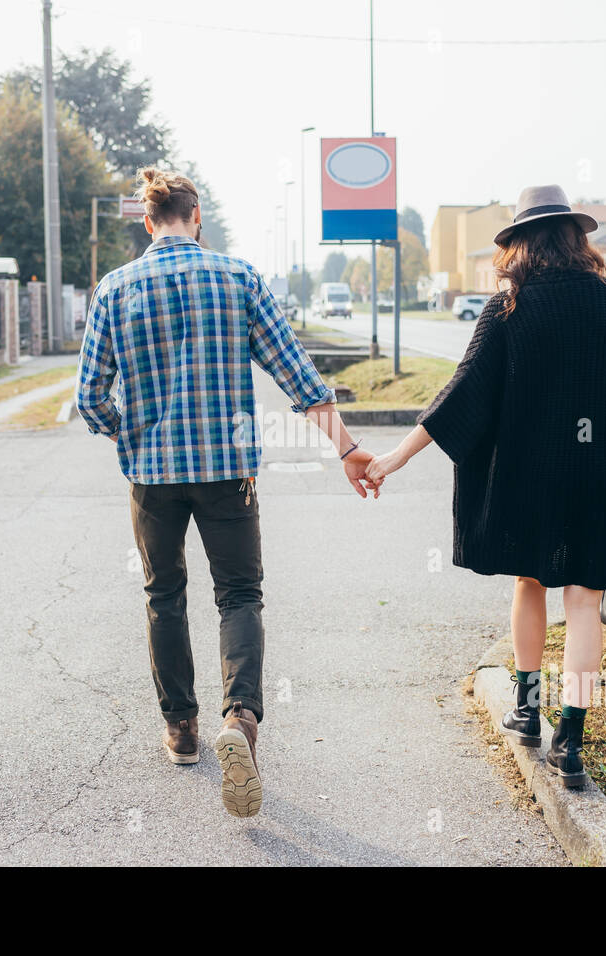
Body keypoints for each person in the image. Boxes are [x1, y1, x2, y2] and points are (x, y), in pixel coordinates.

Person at [76, 167, 379, 818]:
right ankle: (240, 720)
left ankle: (182, 730)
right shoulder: (238, 277)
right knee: (238, 595)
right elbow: (298, 373)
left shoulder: (115, 287)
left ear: (148, 221)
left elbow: (89, 399)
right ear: (197, 219)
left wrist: (130, 437)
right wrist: (348, 447)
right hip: (227, 473)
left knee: (164, 594)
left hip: (152, 477)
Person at [366, 184, 606, 789]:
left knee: (530, 580)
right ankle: (572, 741)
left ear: (519, 245)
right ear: (574, 237)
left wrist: (395, 458)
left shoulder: (510, 305)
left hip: (531, 476)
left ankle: (528, 709)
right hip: (602, 473)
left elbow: (461, 395)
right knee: (585, 601)